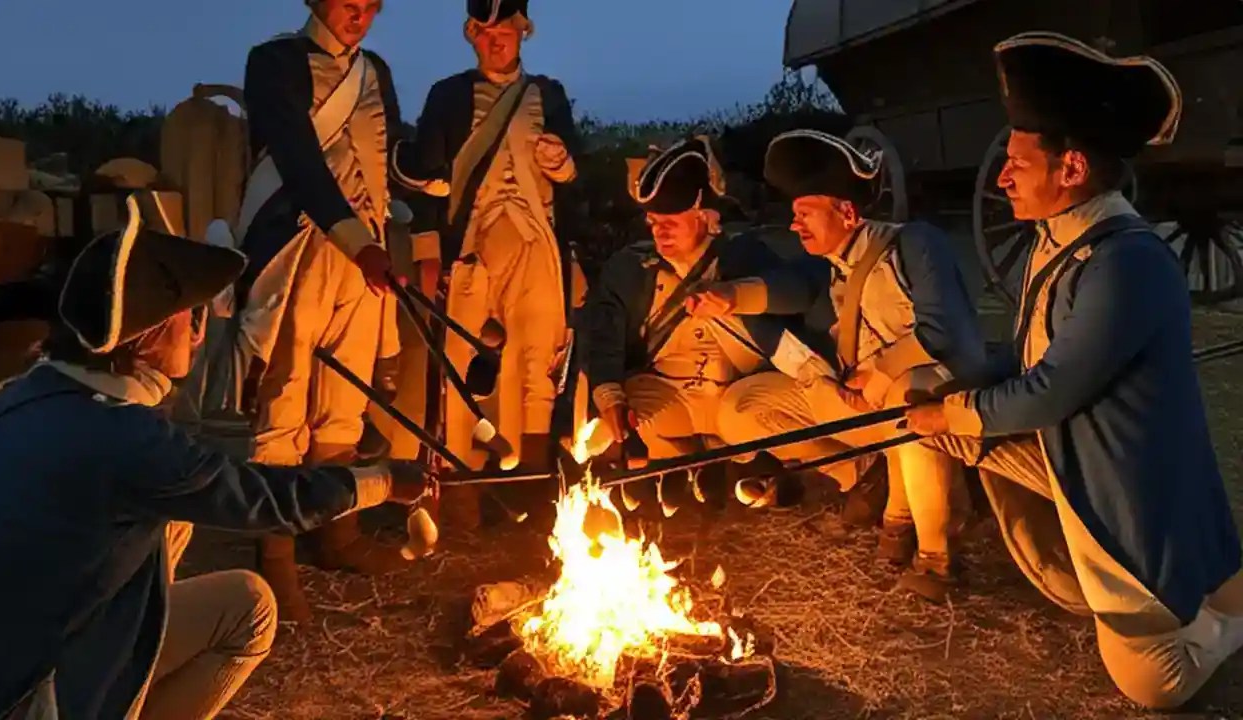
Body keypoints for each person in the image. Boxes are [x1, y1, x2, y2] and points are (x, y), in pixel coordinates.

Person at [0, 195, 428, 720]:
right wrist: (382, 480)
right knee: (249, 609)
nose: (199, 330)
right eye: (190, 315)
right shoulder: (125, 440)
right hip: (23, 695)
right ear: (149, 340)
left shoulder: (24, 391)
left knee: (174, 526)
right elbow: (266, 501)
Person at [903, 32, 1243, 709]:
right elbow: (1030, 357)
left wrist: (952, 413)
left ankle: (1224, 627)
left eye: (1017, 164)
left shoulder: (1126, 261)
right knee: (936, 412)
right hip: (1073, 450)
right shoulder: (1063, 242)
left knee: (1151, 686)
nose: (1003, 178)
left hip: (1129, 481)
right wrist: (956, 390)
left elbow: (1053, 389)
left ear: (1072, 168)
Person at [697, 128, 988, 596]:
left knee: (908, 391)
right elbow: (791, 288)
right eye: (794, 215)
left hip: (933, 399)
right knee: (743, 405)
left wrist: (881, 372)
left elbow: (943, 331)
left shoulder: (915, 244)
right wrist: (729, 297)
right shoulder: (831, 263)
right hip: (862, 400)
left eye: (805, 213)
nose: (795, 226)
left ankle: (934, 554)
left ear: (847, 213)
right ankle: (871, 478)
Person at [234, 0, 416, 623]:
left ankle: (336, 535)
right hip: (298, 246)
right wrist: (357, 242)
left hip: (364, 251)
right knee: (283, 401)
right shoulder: (274, 60)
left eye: (370, 6)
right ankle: (276, 558)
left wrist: (430, 174)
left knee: (345, 400)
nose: (359, 15)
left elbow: (393, 158)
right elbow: (297, 157)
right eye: (347, 2)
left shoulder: (375, 71)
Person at [405, 0, 584, 525]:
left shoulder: (548, 94)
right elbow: (422, 179)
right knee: (459, 365)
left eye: (505, 29)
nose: (495, 40)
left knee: (537, 362)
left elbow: (575, 174)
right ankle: (460, 490)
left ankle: (530, 485)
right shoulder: (447, 95)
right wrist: (428, 253)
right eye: (484, 31)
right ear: (471, 34)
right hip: (472, 245)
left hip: (536, 243)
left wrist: (561, 163)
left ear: (523, 31)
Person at [583, 136, 820, 516]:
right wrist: (610, 398)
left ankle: (764, 464)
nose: (660, 233)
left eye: (671, 223)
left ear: (705, 218)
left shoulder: (743, 254)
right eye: (653, 223)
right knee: (620, 422)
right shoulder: (630, 268)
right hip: (667, 391)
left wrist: (736, 296)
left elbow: (799, 289)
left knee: (743, 415)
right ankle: (684, 463)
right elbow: (603, 334)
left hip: (736, 391)